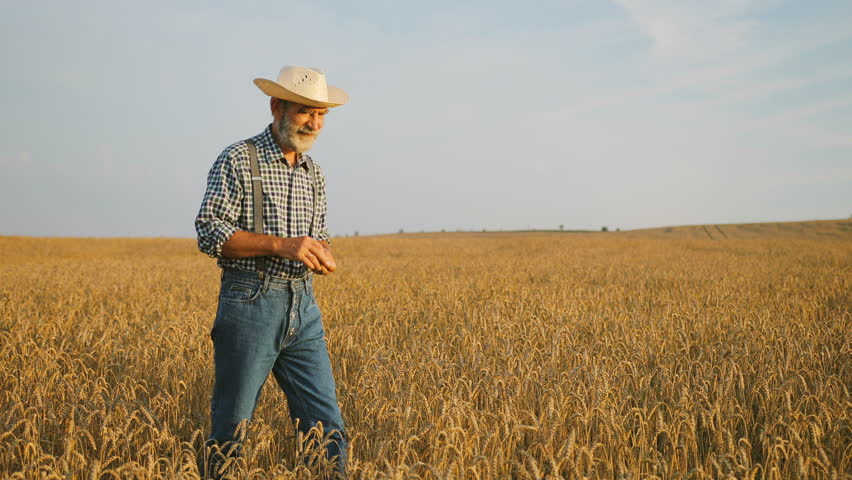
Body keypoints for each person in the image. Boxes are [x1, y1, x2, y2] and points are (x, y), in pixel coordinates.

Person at [195, 65, 349, 478]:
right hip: (250, 304)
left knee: (326, 428)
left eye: (321, 115)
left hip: (304, 307)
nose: (314, 123)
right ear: (276, 105)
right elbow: (210, 231)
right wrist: (283, 245)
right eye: (304, 112)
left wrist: (323, 253)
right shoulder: (238, 159)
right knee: (231, 430)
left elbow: (320, 235)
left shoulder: (313, 172)